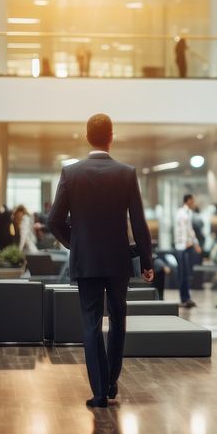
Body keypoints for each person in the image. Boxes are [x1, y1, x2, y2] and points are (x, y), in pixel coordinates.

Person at [48, 113, 154, 408]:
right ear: (111, 137)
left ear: (87, 137)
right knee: (119, 319)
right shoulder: (126, 172)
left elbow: (53, 220)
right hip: (118, 261)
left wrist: (76, 244)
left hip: (87, 262)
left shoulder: (71, 173)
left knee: (91, 323)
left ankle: (98, 392)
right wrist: (147, 261)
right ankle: (111, 381)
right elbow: (139, 221)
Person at [174, 194, 201, 309]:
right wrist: (187, 243)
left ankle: (187, 297)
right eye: (193, 200)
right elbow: (184, 230)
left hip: (187, 246)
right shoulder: (181, 213)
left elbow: (190, 230)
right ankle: (183, 298)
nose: (194, 202)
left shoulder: (189, 213)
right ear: (188, 201)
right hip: (181, 247)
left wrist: (195, 243)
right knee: (182, 273)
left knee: (187, 273)